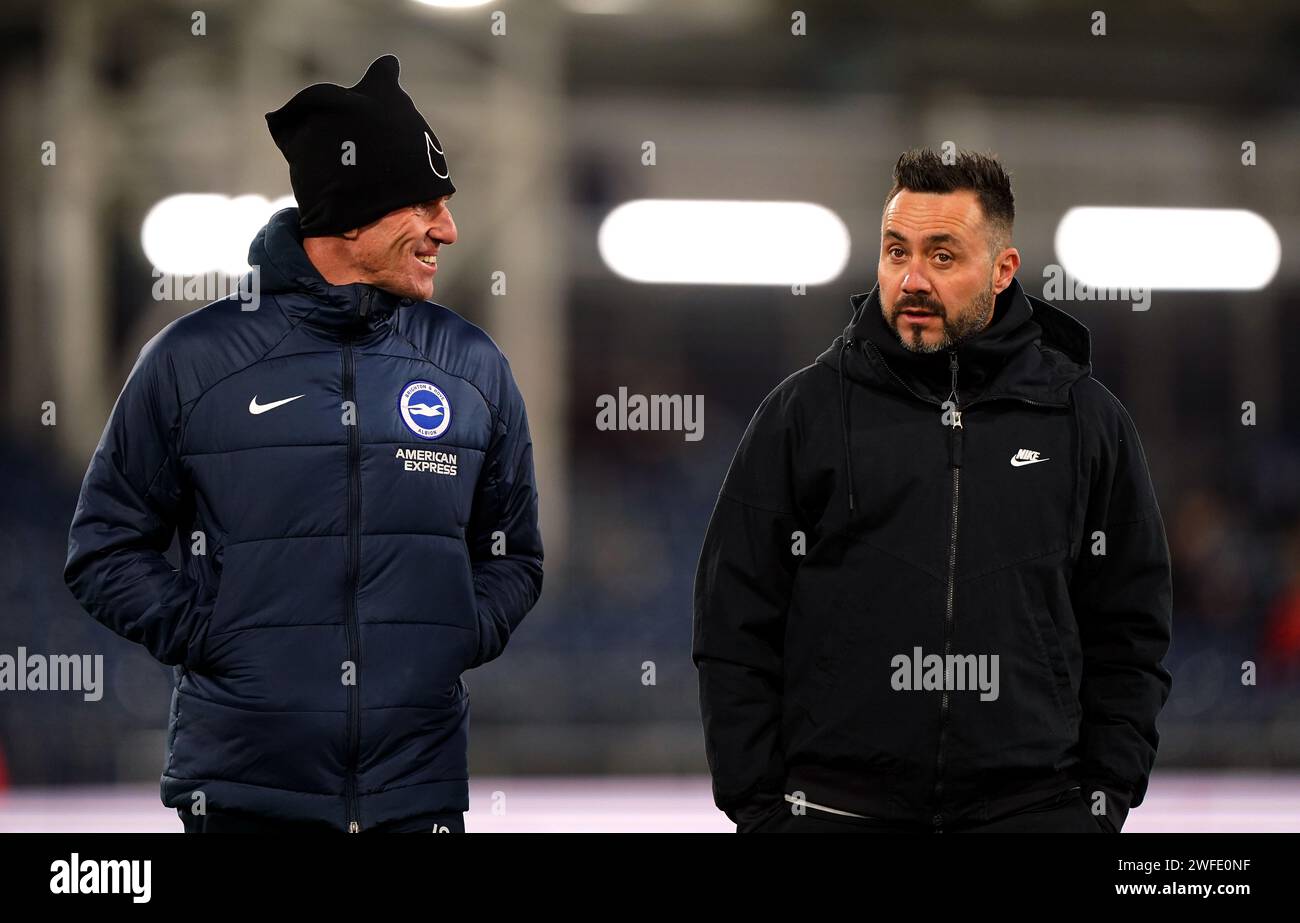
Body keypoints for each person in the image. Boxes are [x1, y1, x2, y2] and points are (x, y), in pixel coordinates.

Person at [63, 54, 543, 833]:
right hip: (245, 795)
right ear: (350, 218)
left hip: (416, 796)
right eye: (423, 204)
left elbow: (514, 556)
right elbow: (104, 547)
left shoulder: (473, 367)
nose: (447, 229)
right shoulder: (193, 361)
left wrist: (453, 632)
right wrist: (215, 637)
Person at [693, 148, 1172, 833]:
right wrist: (763, 808)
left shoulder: (1084, 421)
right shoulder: (803, 413)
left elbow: (1132, 626)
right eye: (896, 252)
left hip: (1035, 809)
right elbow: (732, 619)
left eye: (943, 256)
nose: (912, 278)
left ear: (1004, 270)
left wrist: (1100, 800)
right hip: (834, 808)